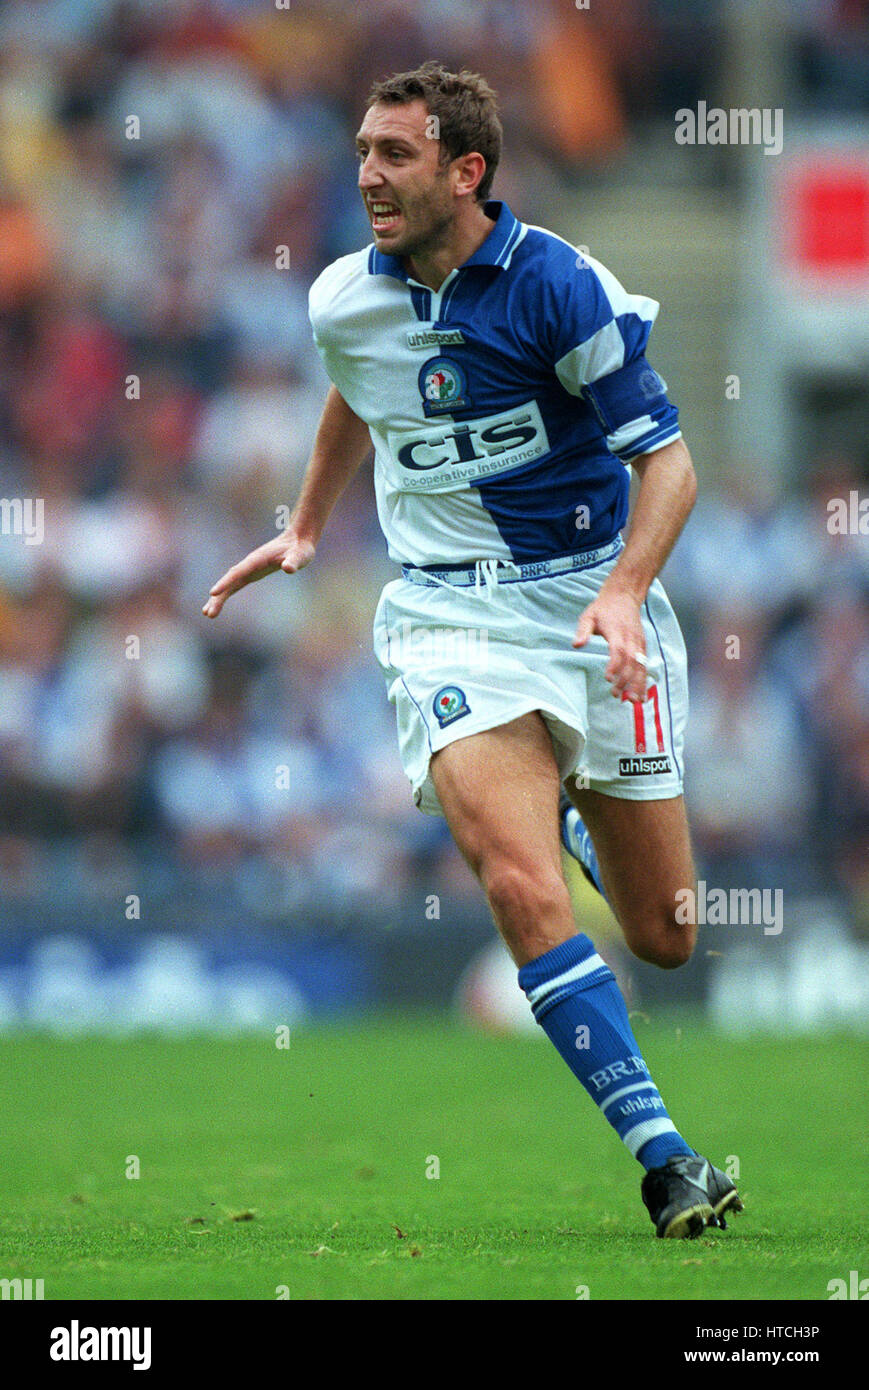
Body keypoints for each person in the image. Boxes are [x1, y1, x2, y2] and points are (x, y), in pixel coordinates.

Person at [203, 62, 743, 1239]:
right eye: (359, 151)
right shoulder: (344, 295)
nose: (366, 177)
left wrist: (622, 594)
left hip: (588, 606)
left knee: (664, 934)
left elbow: (670, 465)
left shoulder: (560, 289)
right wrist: (306, 525)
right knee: (511, 878)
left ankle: (562, 813)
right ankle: (666, 1160)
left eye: (393, 156)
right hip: (448, 616)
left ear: (466, 170)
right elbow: (361, 391)